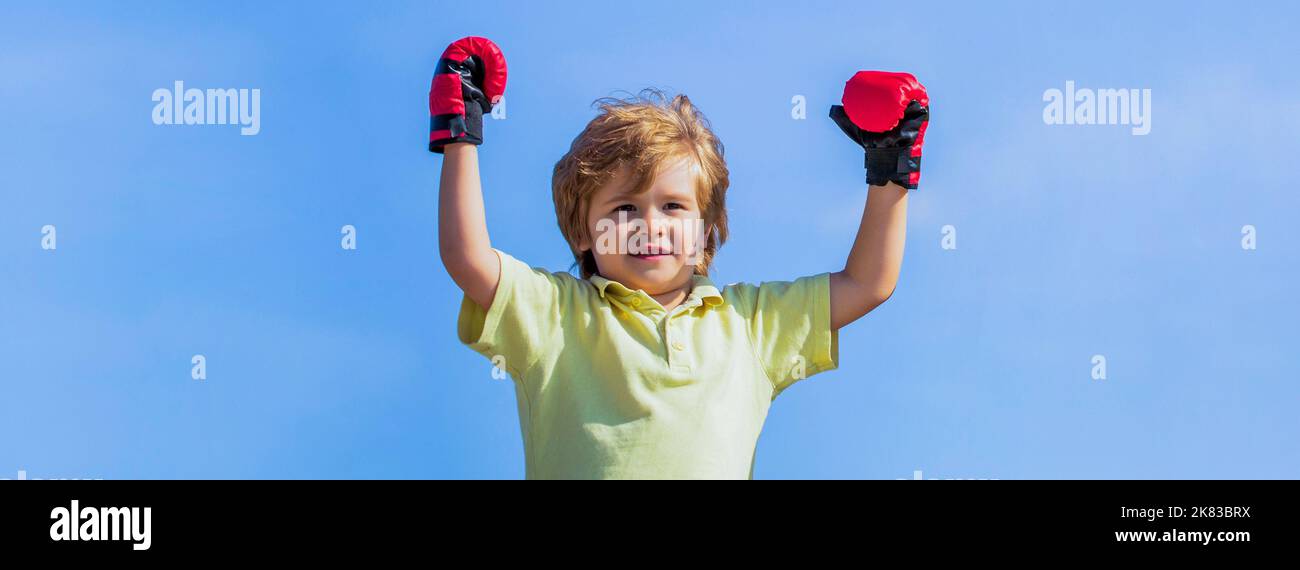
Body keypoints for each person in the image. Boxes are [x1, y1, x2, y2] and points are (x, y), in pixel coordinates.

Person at [431, 36, 929, 479]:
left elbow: (868, 284)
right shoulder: (557, 315)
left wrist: (890, 170)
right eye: (625, 208)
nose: (652, 224)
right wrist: (460, 135)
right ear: (583, 232)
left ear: (707, 232)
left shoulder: (750, 324)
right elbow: (468, 257)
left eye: (673, 205)